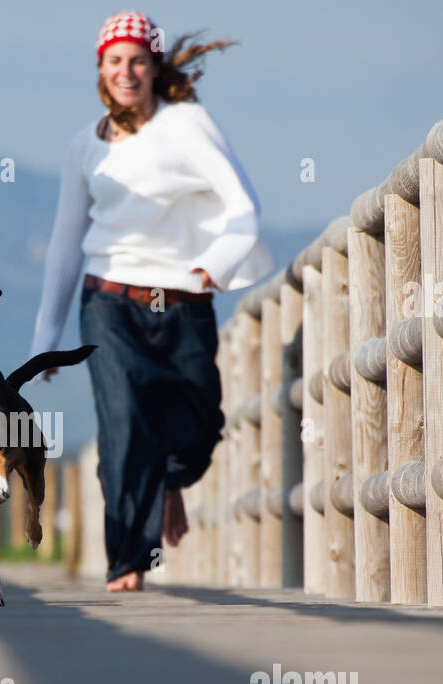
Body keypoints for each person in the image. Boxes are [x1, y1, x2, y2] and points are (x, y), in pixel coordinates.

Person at [30, 10, 273, 592]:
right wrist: (46, 338)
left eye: (138, 59)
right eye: (115, 61)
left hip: (184, 301)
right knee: (124, 425)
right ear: (100, 70)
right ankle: (128, 561)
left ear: (154, 65)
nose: (127, 71)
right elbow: (66, 243)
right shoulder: (83, 147)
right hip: (108, 302)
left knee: (199, 428)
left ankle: (170, 480)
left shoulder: (186, 124)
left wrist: (216, 263)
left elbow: (244, 204)